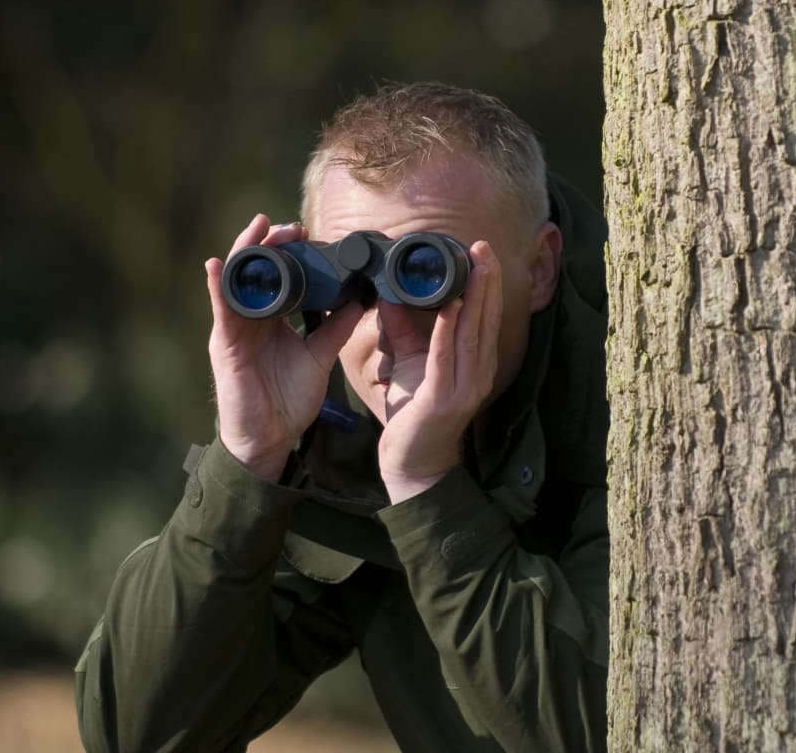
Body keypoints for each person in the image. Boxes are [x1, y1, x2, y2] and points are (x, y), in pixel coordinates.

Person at [75, 82, 608, 752]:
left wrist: (426, 487)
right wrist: (246, 462)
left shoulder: (635, 418)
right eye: (351, 283)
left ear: (540, 268)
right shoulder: (335, 445)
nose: (388, 329)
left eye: (426, 274)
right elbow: (136, 736)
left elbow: (613, 732)